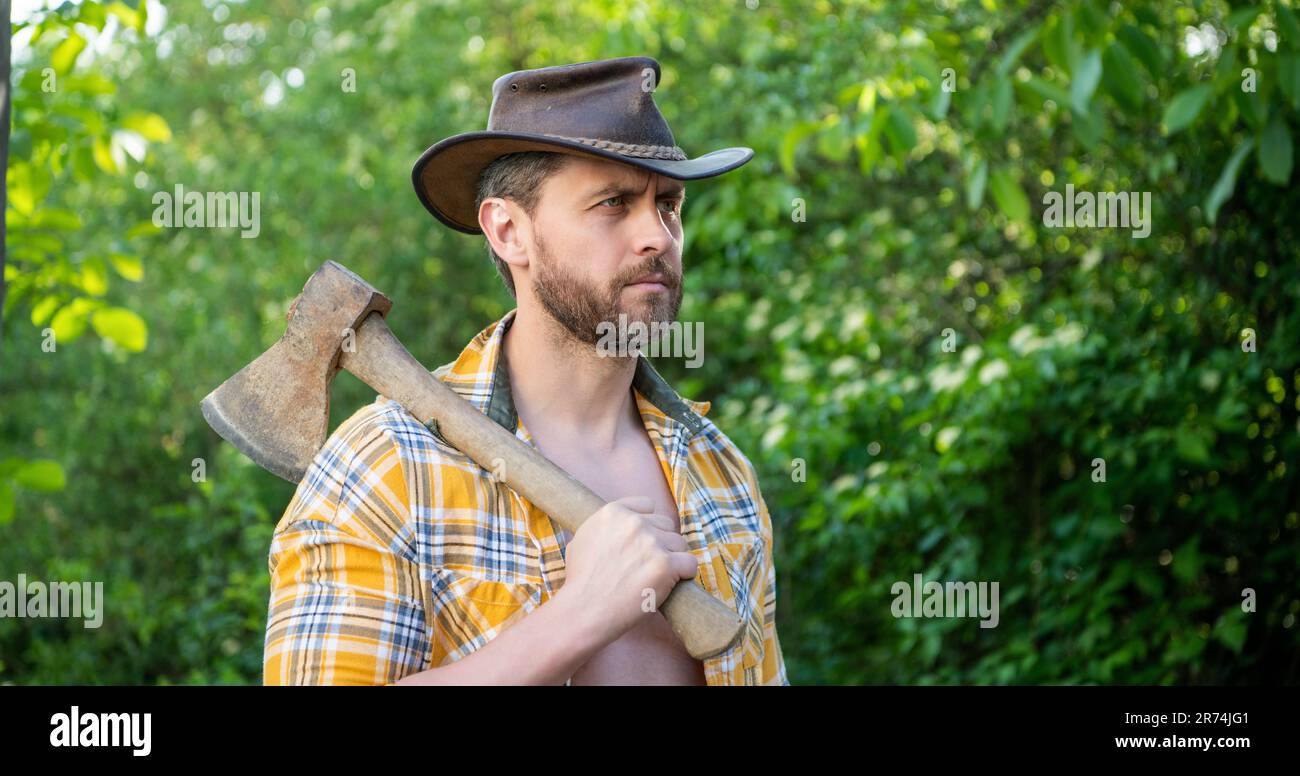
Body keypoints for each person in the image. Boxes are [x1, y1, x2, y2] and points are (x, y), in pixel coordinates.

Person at [263, 56, 787, 685]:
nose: (657, 235)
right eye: (614, 203)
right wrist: (580, 616)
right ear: (509, 230)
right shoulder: (385, 470)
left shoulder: (719, 470)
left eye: (668, 204)